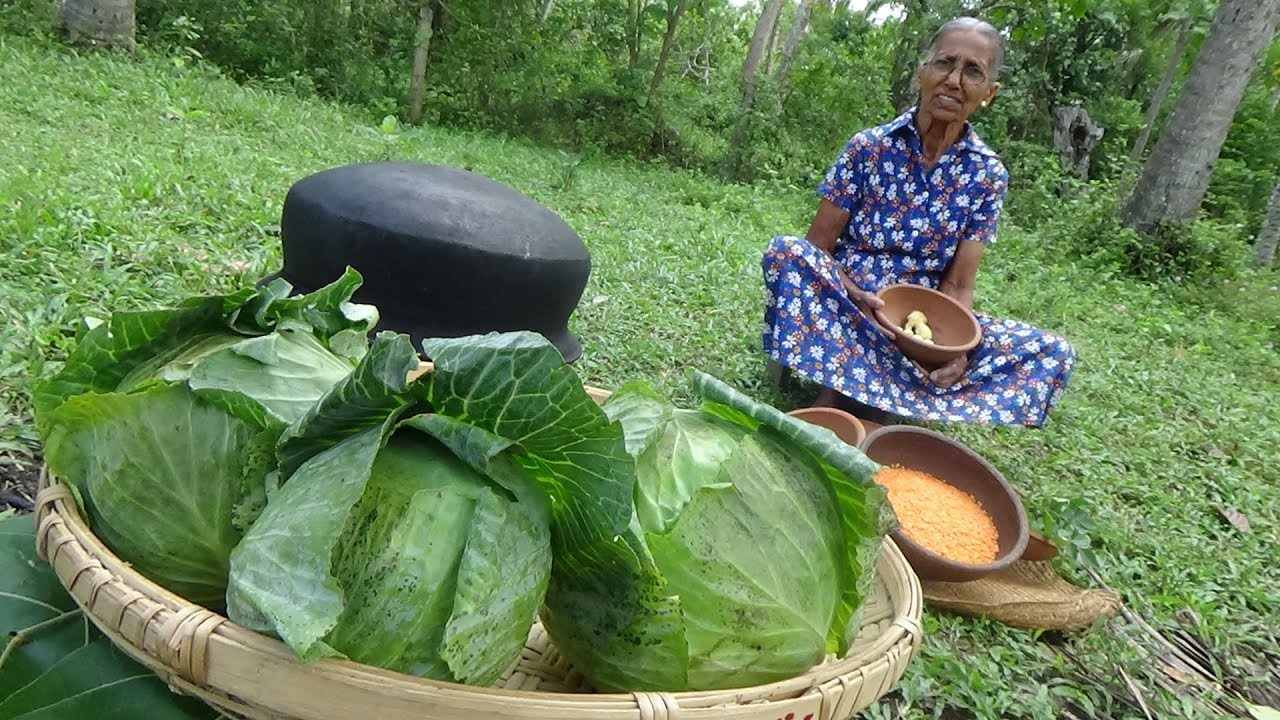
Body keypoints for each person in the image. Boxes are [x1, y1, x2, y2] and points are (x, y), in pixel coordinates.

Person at [761, 17, 1074, 428]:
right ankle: (884, 394)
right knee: (787, 253)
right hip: (848, 307)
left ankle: (864, 385)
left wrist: (956, 350)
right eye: (945, 63)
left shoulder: (987, 175)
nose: (954, 80)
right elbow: (817, 246)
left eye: (973, 71)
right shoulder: (869, 148)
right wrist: (856, 295)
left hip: (924, 332)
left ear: (989, 94)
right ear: (921, 73)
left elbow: (959, 285)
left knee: (1051, 352)